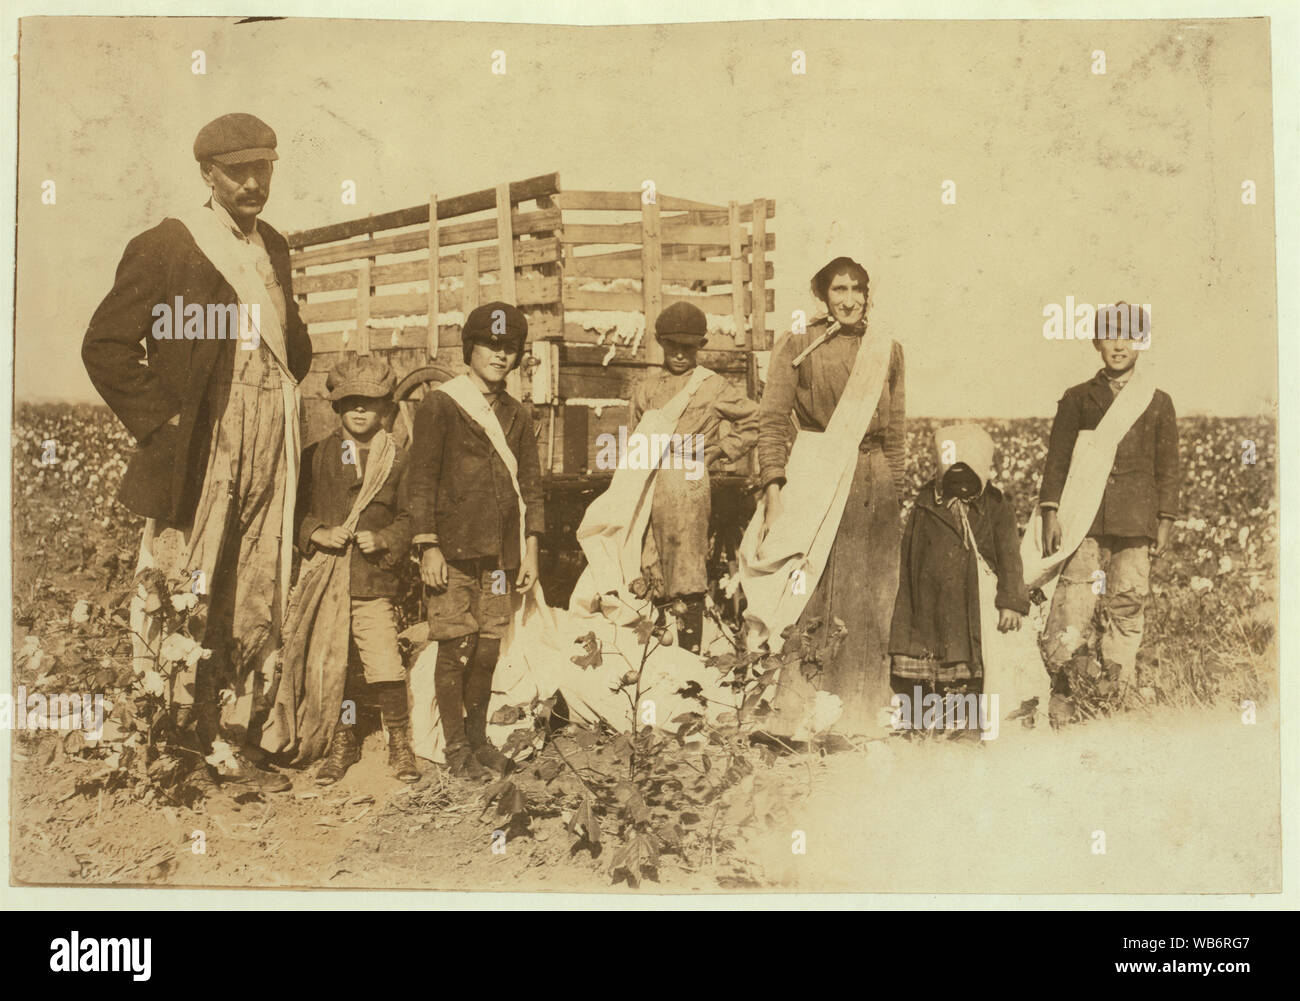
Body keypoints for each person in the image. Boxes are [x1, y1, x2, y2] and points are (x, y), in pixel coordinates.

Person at [82, 113, 311, 795]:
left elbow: (291, 342)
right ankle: (173, 737)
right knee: (191, 578)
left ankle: (230, 733)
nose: (251, 181)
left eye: (262, 167)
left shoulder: (274, 245)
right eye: (237, 169)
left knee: (256, 579)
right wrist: (166, 420)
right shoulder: (169, 244)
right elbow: (106, 345)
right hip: (207, 439)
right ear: (206, 174)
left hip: (272, 427)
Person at [748, 254, 905, 734]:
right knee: (810, 590)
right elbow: (773, 421)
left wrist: (893, 494)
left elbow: (896, 430)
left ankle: (859, 716)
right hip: (816, 477)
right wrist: (774, 494)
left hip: (872, 481)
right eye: (839, 289)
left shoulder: (888, 350)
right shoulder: (798, 346)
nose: (850, 299)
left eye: (858, 288)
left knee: (871, 599)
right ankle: (797, 713)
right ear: (822, 293)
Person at [259, 357, 417, 786]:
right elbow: (294, 513)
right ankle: (342, 740)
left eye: (369, 402)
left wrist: (384, 539)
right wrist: (317, 533)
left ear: (385, 408)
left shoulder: (398, 460)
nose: (360, 411)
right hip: (325, 582)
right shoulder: (316, 457)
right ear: (336, 408)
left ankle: (399, 740)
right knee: (337, 666)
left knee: (384, 661)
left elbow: (411, 516)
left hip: (371, 581)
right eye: (350, 403)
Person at [408, 302, 544, 779]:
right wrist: (428, 544)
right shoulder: (442, 404)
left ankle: (481, 739)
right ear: (470, 348)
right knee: (456, 647)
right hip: (453, 554)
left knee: (488, 647)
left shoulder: (517, 415)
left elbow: (531, 484)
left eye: (509, 348)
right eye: (490, 344)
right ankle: (456, 749)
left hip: (501, 559)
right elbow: (420, 479)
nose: (499, 355)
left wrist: (530, 548)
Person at [1035, 303, 1179, 702]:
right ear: (1097, 342)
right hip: (1085, 518)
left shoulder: (1156, 401)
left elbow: (1168, 466)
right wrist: (1050, 512)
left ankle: (1116, 690)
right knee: (1075, 600)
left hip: (1136, 521)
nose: (1120, 345)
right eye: (1111, 335)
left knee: (1127, 603)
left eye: (1129, 335)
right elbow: (1057, 460)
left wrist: (1165, 520)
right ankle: (1067, 689)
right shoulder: (1078, 397)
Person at [628, 302, 759, 652]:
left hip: (687, 485)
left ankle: (688, 662)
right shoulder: (645, 389)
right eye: (672, 345)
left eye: (688, 346)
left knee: (686, 574)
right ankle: (653, 664)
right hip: (649, 482)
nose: (680, 354)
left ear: (700, 346)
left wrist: (719, 450)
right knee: (648, 567)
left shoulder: (712, 387)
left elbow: (755, 420)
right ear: (660, 343)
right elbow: (633, 441)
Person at [888, 425, 1028, 734]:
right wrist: (906, 608)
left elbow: (1010, 558)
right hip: (929, 602)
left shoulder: (996, 506)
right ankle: (925, 723)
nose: (962, 486)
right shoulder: (927, 504)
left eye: (970, 478)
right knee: (928, 665)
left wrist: (1011, 602)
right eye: (954, 477)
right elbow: (909, 556)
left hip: (972, 604)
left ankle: (968, 727)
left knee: (970, 667)